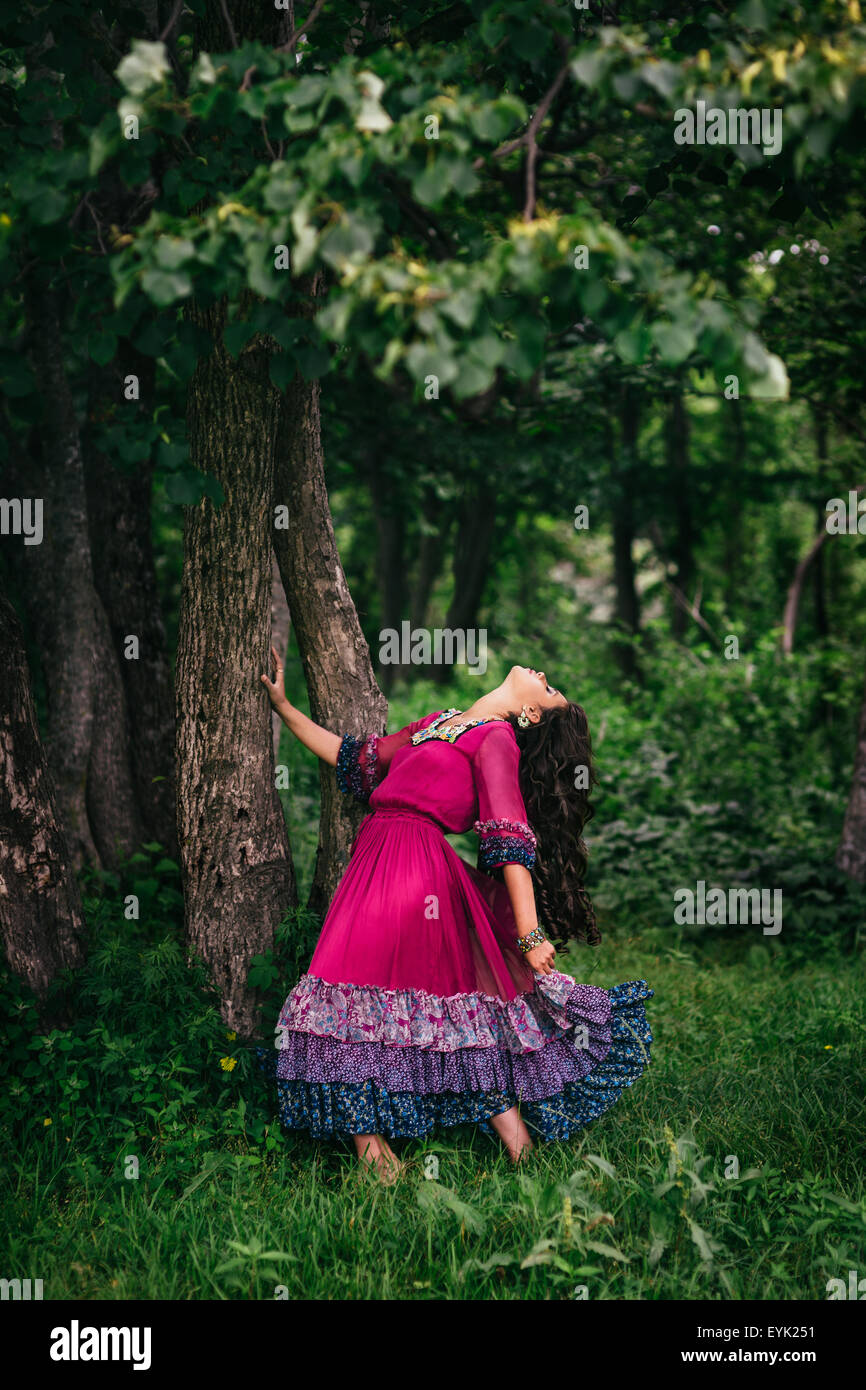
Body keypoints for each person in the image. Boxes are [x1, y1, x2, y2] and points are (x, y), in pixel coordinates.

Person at [259, 655, 652, 1183]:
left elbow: (510, 840)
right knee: (373, 1007)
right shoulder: (438, 722)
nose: (540, 672)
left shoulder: (497, 741)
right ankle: (396, 1155)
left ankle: (496, 1145)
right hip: (372, 859)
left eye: (549, 686)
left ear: (531, 715)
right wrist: (284, 708)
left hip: (417, 870)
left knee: (352, 994)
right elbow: (355, 758)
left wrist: (531, 934)